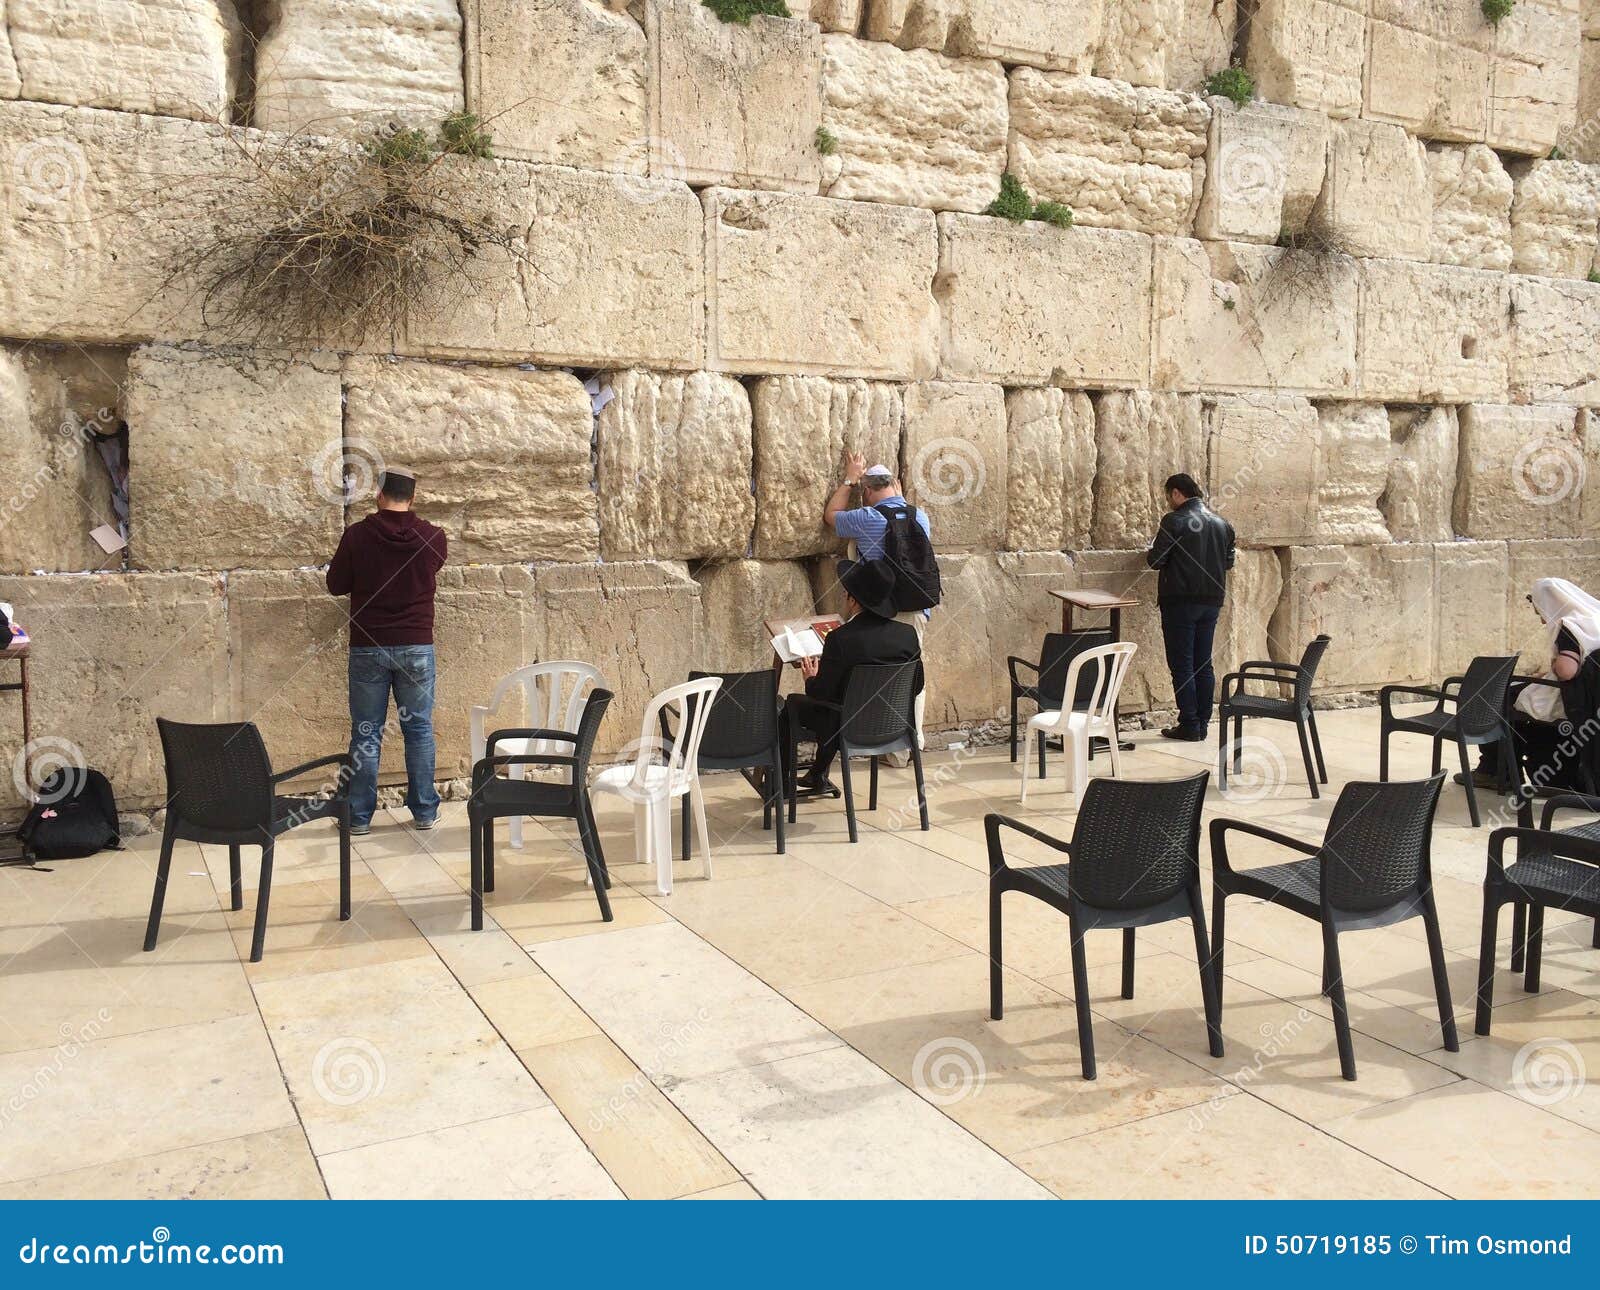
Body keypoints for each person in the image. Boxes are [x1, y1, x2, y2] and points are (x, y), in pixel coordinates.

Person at [326, 467, 449, 835]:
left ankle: (359, 817)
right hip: (416, 646)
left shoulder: (357, 536)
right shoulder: (434, 537)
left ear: (379, 495)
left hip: (368, 646)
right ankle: (424, 811)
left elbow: (336, 584)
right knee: (419, 728)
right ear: (413, 498)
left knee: (366, 732)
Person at [824, 451, 933, 760]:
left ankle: (873, 740)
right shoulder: (920, 516)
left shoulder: (867, 517)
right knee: (909, 676)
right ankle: (909, 746)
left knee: (872, 677)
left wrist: (850, 479)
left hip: (882, 610)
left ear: (868, 491)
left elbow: (831, 516)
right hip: (916, 608)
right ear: (894, 485)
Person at [787, 559, 923, 797]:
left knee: (790, 706)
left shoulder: (840, 639)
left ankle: (782, 786)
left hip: (846, 727)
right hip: (894, 726)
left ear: (853, 600)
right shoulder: (907, 635)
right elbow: (917, 684)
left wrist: (810, 678)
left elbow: (821, 693)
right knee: (838, 707)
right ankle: (817, 774)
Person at [1468, 577, 1600, 791]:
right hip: (1591, 700)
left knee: (1497, 697)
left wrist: (1554, 666)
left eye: (1541, 613)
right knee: (1515, 698)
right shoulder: (1593, 619)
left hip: (1574, 700)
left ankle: (1495, 770)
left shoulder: (1570, 626)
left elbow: (1567, 671)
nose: (1542, 621)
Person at [1146, 472, 1235, 742]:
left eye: (1168, 496)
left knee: (1182, 665)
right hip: (1211, 602)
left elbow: (1156, 560)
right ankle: (1202, 724)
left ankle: (1189, 724)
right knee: (1203, 664)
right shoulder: (1222, 524)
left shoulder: (1174, 520)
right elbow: (1228, 563)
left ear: (1176, 493)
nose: (1168, 502)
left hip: (1180, 602)